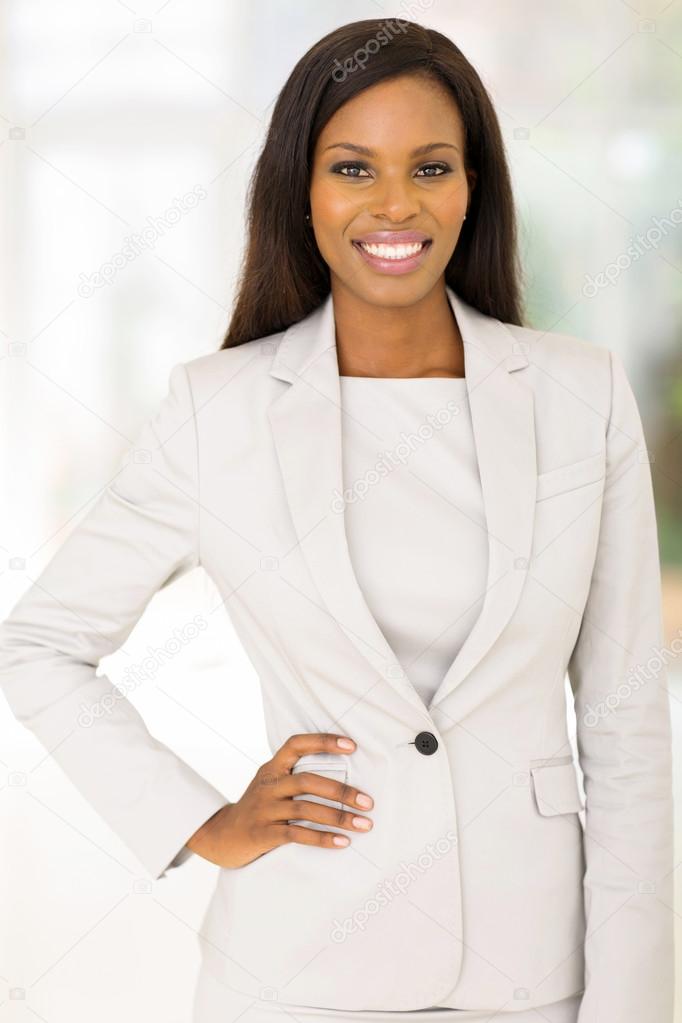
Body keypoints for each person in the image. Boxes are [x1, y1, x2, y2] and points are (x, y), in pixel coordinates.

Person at [0, 18, 674, 1023]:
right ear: (300, 191)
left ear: (472, 185)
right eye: (353, 168)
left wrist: (631, 1002)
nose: (395, 203)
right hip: (296, 968)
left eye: (430, 167)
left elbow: (624, 725)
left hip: (535, 968)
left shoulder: (578, 397)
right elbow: (40, 643)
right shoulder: (217, 410)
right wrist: (204, 823)